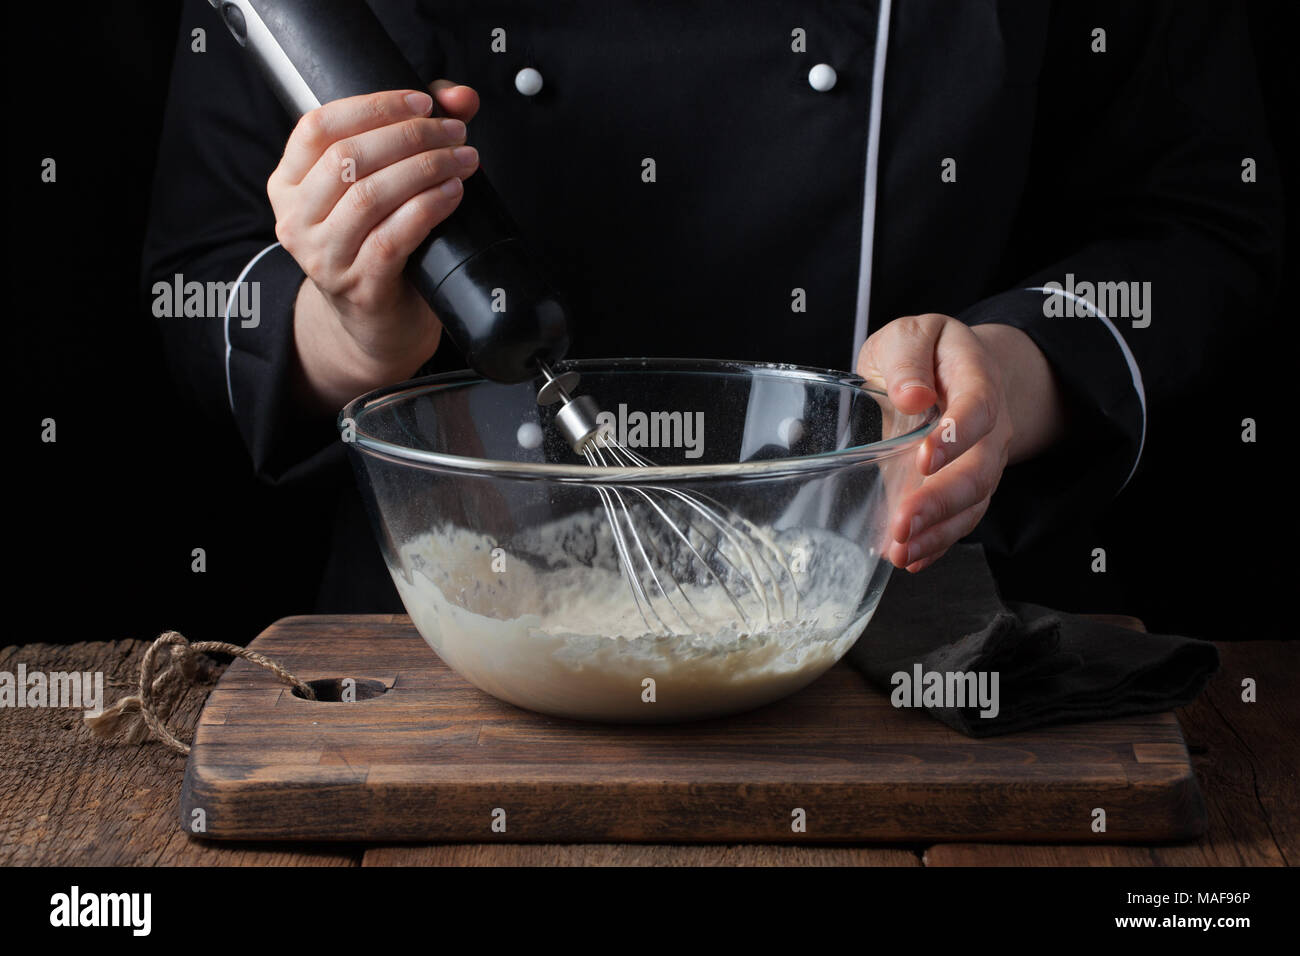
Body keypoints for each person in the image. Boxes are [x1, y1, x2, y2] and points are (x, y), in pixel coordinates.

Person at [143, 0, 1281, 613]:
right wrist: (351, 330)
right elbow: (201, 273)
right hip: (452, 648)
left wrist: (998, 370)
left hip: (925, 647)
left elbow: (1200, 223)